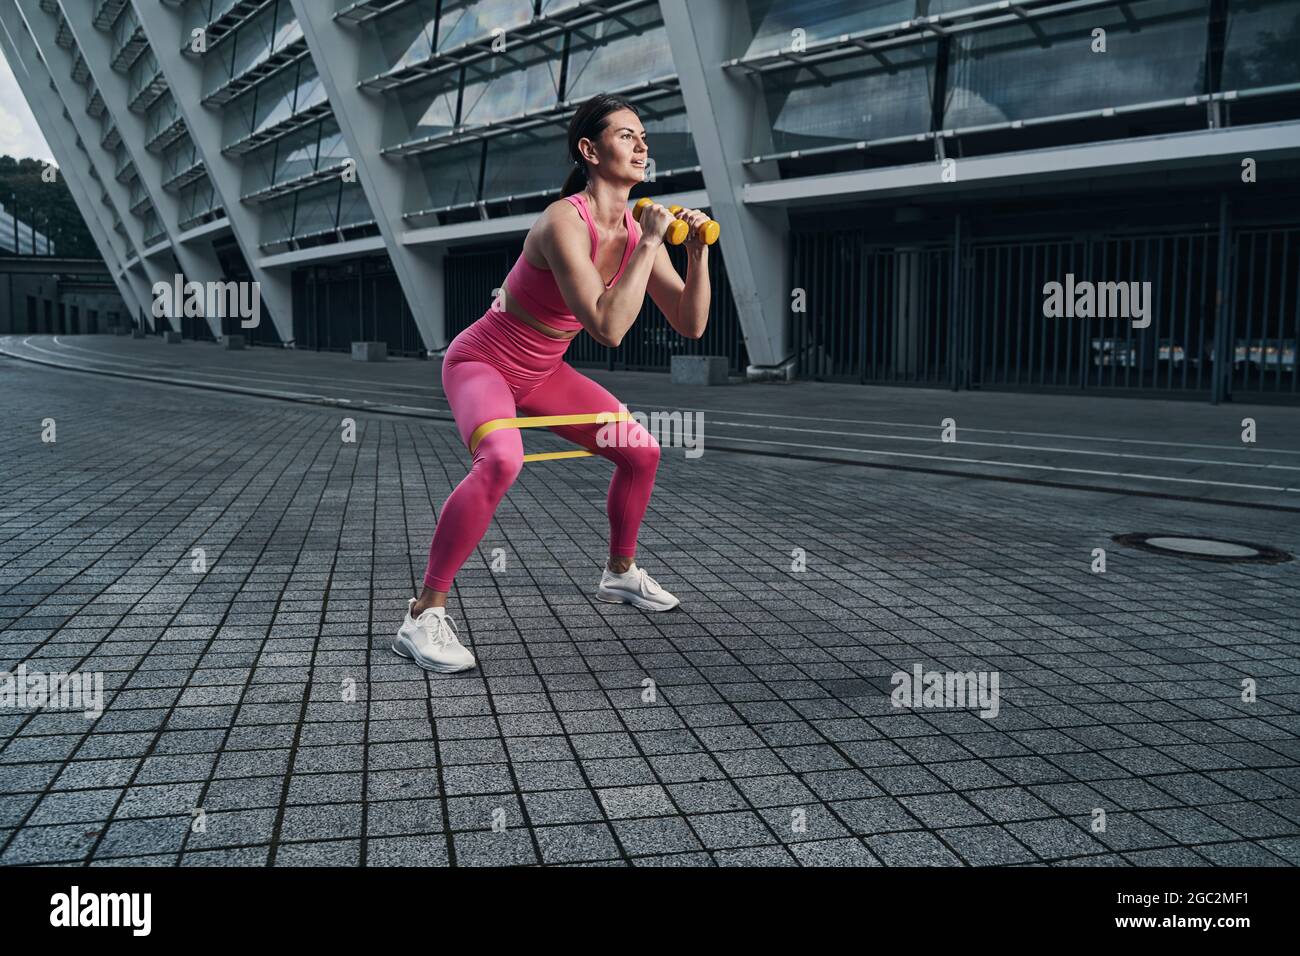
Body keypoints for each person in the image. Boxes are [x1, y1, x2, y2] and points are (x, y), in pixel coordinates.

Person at [393, 93, 713, 674]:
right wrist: (647, 242)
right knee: (501, 460)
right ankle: (423, 614)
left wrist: (694, 255)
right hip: (483, 360)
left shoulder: (639, 225)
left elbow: (691, 324)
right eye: (625, 136)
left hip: (543, 370)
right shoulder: (566, 221)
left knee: (641, 453)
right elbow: (609, 328)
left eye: (644, 136)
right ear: (590, 151)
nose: (642, 145)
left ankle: (620, 573)